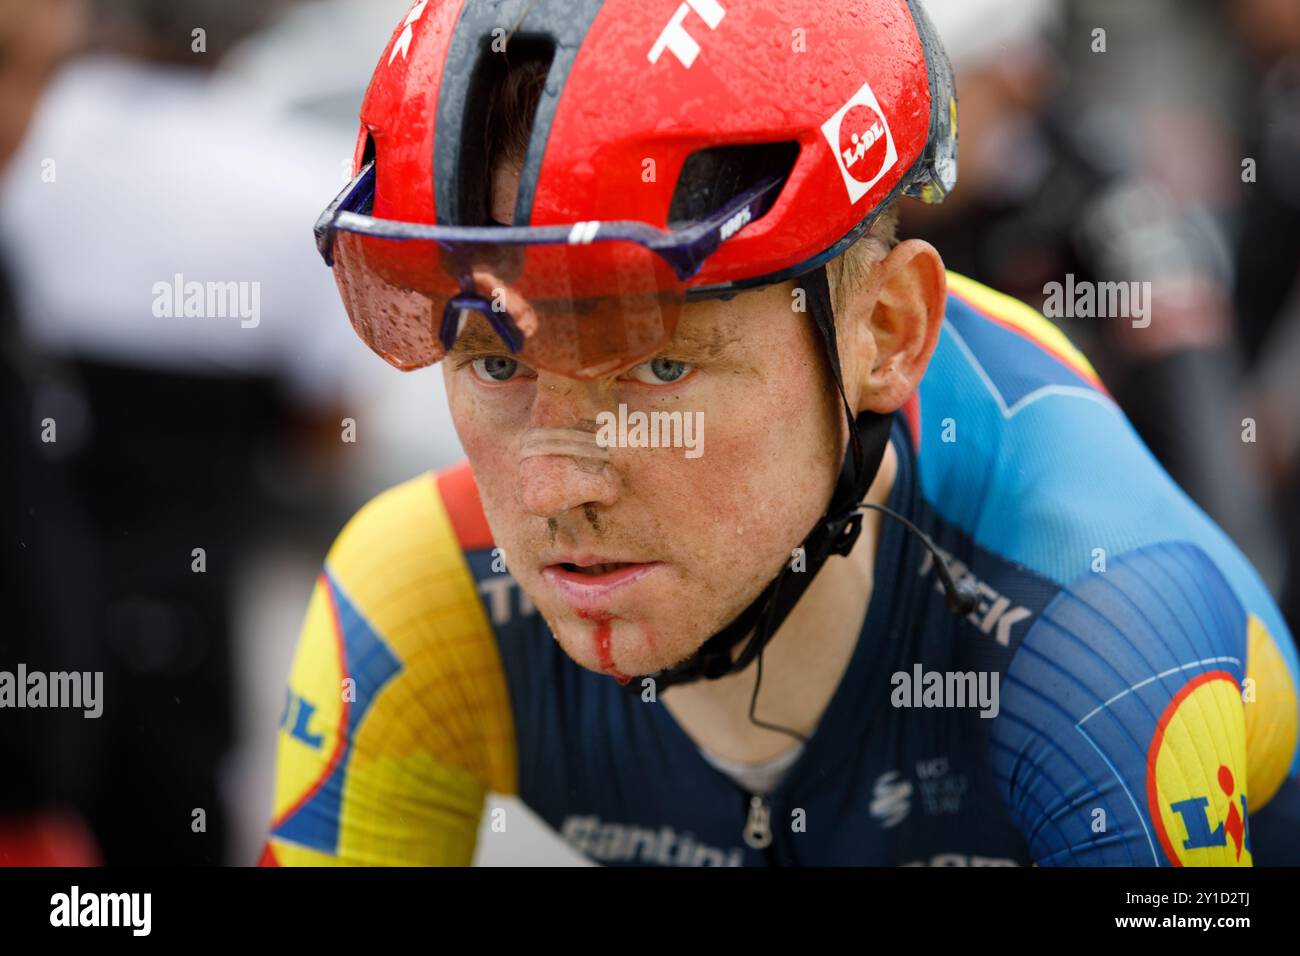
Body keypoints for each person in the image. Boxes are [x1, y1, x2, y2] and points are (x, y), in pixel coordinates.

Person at [261, 0, 1300, 866]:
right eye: (495, 361)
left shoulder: (1100, 646)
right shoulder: (414, 605)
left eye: (660, 366)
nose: (550, 491)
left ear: (885, 334)